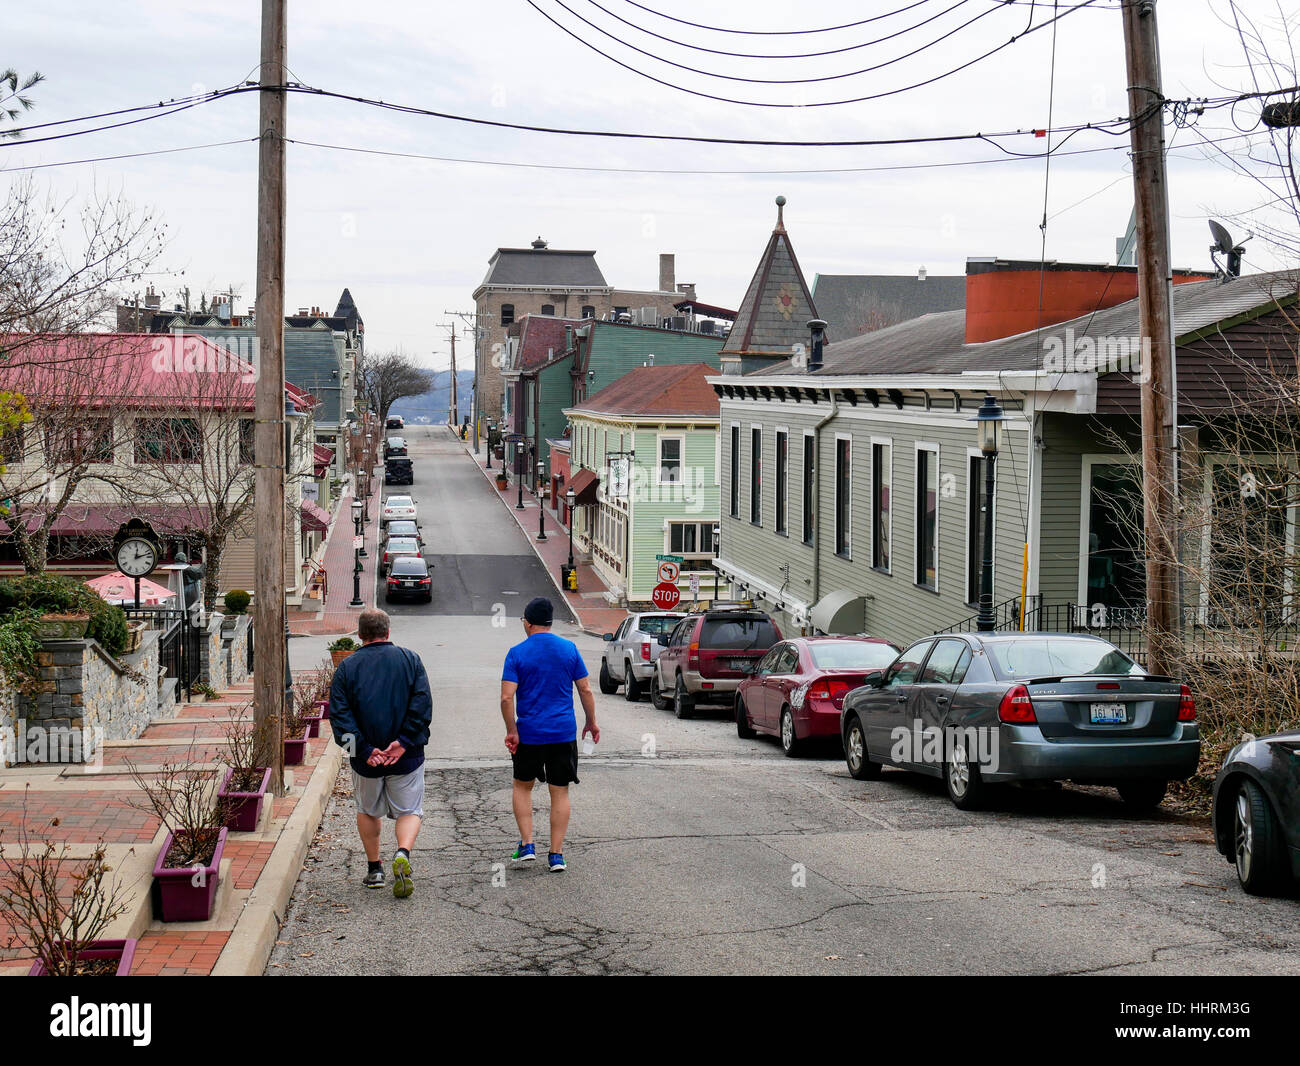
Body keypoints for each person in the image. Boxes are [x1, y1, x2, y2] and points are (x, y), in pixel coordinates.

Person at [329, 608, 432, 897]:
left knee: (367, 809)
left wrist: (363, 749)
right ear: (388, 632)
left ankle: (375, 869)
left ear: (360, 635)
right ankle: (403, 853)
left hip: (366, 760)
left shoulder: (346, 668)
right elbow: (422, 705)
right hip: (406, 756)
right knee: (410, 809)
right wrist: (404, 741)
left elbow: (339, 716)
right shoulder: (410, 660)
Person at [500, 596, 598, 872]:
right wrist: (591, 722)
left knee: (522, 786)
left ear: (528, 623)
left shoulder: (517, 652)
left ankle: (527, 844)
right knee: (560, 791)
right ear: (549, 622)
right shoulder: (569, 649)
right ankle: (556, 855)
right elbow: (586, 689)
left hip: (529, 734)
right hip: (562, 733)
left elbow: (507, 698)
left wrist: (512, 730)